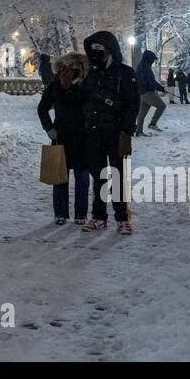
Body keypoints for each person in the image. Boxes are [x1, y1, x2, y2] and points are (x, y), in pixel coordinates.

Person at [80, 31, 139, 235]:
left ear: (110, 49)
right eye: (92, 48)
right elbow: (82, 101)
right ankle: (98, 217)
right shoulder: (89, 73)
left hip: (116, 133)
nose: (94, 52)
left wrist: (127, 131)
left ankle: (122, 218)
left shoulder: (125, 73)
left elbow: (132, 104)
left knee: (118, 175)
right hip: (93, 132)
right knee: (98, 177)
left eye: (99, 48)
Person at [38, 53, 89, 225]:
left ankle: (81, 214)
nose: (69, 72)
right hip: (61, 136)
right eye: (66, 69)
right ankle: (60, 213)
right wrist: (49, 128)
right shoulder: (55, 86)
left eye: (73, 68)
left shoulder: (86, 85)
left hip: (82, 137)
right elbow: (42, 108)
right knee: (60, 178)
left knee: (82, 178)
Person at [134, 49, 168, 135]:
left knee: (142, 114)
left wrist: (160, 88)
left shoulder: (142, 66)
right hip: (148, 92)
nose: (153, 61)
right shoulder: (144, 68)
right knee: (162, 106)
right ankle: (152, 124)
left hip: (142, 93)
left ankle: (139, 131)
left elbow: (150, 81)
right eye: (153, 59)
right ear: (149, 58)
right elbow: (150, 81)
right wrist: (159, 88)